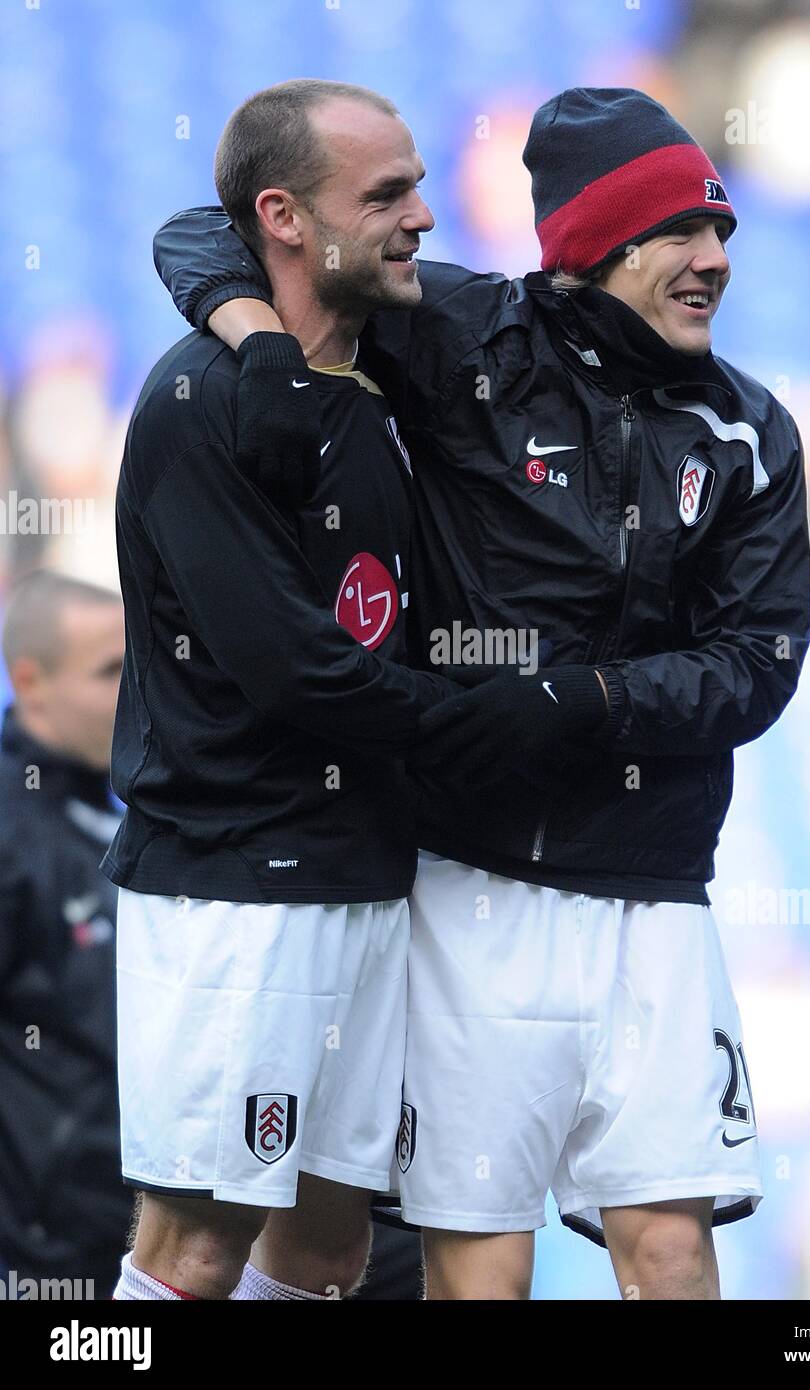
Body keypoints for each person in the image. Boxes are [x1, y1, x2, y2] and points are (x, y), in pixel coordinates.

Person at [153, 86, 810, 1300]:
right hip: (471, 882)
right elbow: (212, 232)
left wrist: (578, 705)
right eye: (680, 232)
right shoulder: (458, 333)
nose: (715, 259)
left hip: (656, 888)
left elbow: (759, 666)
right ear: (593, 248)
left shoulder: (749, 428)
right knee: (476, 1257)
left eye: (722, 232)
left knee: (671, 1247)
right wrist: (253, 340)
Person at [106, 79, 473, 1302]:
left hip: (366, 874)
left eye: (419, 183)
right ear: (284, 216)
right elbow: (301, 671)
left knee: (327, 1247)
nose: (425, 215)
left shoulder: (394, 369)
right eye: (388, 194)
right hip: (234, 891)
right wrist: (521, 718)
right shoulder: (195, 404)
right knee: (195, 1245)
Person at [0, 570, 131, 1300]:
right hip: (56, 1259)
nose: (133, 692)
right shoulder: (11, 838)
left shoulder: (135, 820)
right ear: (32, 681)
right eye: (111, 671)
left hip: (165, 1223)